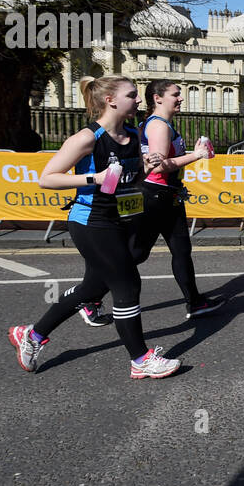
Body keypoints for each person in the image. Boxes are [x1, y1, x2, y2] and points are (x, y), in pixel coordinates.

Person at [8, 75, 179, 379]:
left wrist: (148, 165)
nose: (138, 100)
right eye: (132, 95)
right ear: (110, 100)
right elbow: (47, 178)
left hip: (123, 218)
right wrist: (94, 178)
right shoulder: (88, 138)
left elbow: (130, 177)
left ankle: (32, 335)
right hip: (91, 221)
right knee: (127, 284)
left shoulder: (129, 134)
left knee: (92, 288)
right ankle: (141, 359)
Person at [78, 80, 225, 327]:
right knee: (137, 253)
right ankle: (89, 297)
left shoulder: (156, 124)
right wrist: (196, 155)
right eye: (175, 94)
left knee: (176, 250)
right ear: (157, 98)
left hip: (163, 193)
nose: (180, 98)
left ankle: (195, 301)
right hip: (157, 195)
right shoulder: (158, 125)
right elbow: (159, 166)